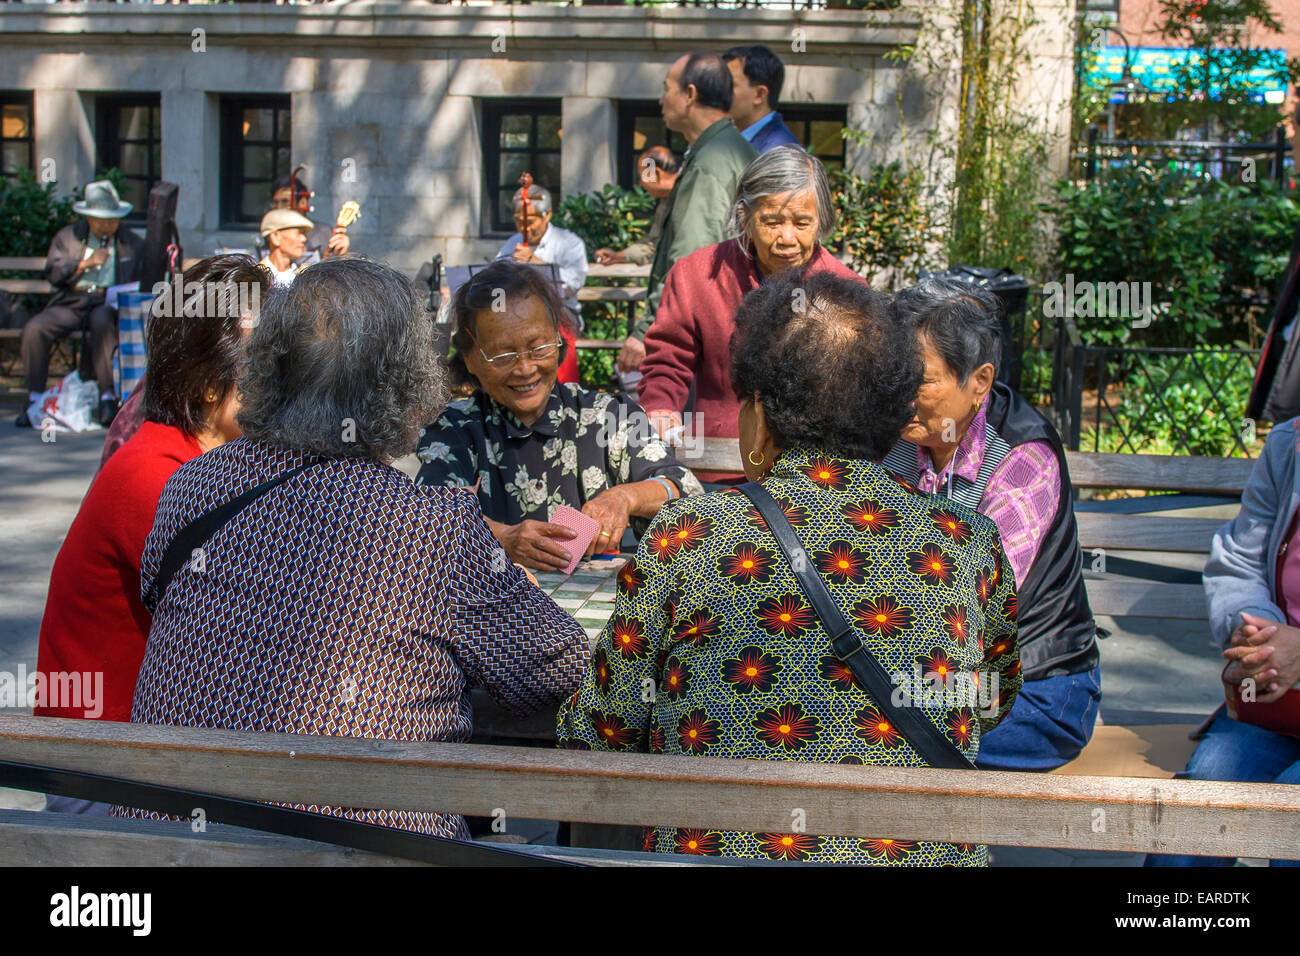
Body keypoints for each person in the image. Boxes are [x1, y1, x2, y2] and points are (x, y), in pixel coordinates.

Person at [557, 271, 1021, 864]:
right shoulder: (968, 543)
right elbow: (991, 697)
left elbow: (605, 732)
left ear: (761, 415)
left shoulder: (687, 535)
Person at [120, 257, 590, 839]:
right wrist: (507, 594)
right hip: (368, 845)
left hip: (159, 844)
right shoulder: (433, 526)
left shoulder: (192, 485)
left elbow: (161, 600)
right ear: (408, 384)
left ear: (268, 365)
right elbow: (553, 668)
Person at [34, 255, 268, 728]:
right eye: (266, 365)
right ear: (206, 383)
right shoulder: (159, 477)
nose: (283, 384)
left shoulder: (195, 457)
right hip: (103, 760)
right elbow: (249, 627)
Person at [880, 278, 1101, 771]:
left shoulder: (1023, 456)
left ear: (979, 380)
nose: (899, 396)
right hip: (924, 674)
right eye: (890, 375)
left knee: (893, 742)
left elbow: (972, 602)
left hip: (1034, 686)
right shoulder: (892, 434)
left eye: (921, 380)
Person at [415, 259, 702, 572]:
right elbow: (432, 515)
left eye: (539, 348)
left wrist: (625, 497)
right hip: (493, 610)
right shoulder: (454, 426)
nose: (525, 368)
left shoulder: (607, 415)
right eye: (503, 355)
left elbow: (682, 487)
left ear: (558, 341)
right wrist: (503, 538)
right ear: (470, 358)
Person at [638, 147, 863, 483]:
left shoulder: (847, 290)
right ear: (744, 216)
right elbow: (667, 360)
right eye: (771, 222)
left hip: (816, 474)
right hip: (715, 463)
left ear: (822, 221)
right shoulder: (696, 275)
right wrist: (660, 408)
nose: (787, 238)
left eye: (803, 223)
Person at [1145, 417, 1300, 866]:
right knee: (1197, 807)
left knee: (1292, 809)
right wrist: (1257, 631)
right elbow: (1240, 563)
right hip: (1278, 701)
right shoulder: (1288, 444)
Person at [618, 51, 758, 374]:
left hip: (705, 340)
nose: (661, 100)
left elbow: (690, 263)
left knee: (683, 425)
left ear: (690, 94)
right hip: (727, 333)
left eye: (667, 88)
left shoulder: (711, 162)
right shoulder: (726, 149)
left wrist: (645, 332)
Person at [18, 180, 144, 428]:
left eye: (112, 219)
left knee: (102, 322)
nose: (108, 224)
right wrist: (82, 264)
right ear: (88, 218)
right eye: (101, 219)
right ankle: (34, 398)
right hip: (73, 300)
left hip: (107, 302)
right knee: (36, 328)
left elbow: (141, 280)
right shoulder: (68, 237)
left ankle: (107, 397)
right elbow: (53, 274)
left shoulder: (132, 242)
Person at [495, 183, 587, 385]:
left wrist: (535, 263)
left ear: (547, 215)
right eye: (519, 221)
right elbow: (495, 280)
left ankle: (563, 390)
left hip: (561, 311)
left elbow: (573, 284)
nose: (524, 227)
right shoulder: (512, 243)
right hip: (517, 312)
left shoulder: (569, 243)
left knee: (553, 326)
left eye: (530, 221)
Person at [593, 146, 681, 266]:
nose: (640, 183)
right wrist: (617, 256)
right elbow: (651, 245)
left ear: (656, 173)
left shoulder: (690, 193)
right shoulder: (664, 203)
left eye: (641, 177)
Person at [723, 45, 802, 153]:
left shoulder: (779, 153)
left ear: (760, 94)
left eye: (730, 84)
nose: (720, 91)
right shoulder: (736, 140)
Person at [267, 174, 351, 264]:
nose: (279, 207)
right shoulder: (271, 232)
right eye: (275, 202)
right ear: (276, 237)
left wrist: (341, 256)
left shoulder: (323, 233)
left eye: (285, 202)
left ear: (303, 202)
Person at [258, 208, 315, 285]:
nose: (304, 239)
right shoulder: (253, 277)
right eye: (298, 233)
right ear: (275, 237)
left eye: (304, 234)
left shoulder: (307, 276)